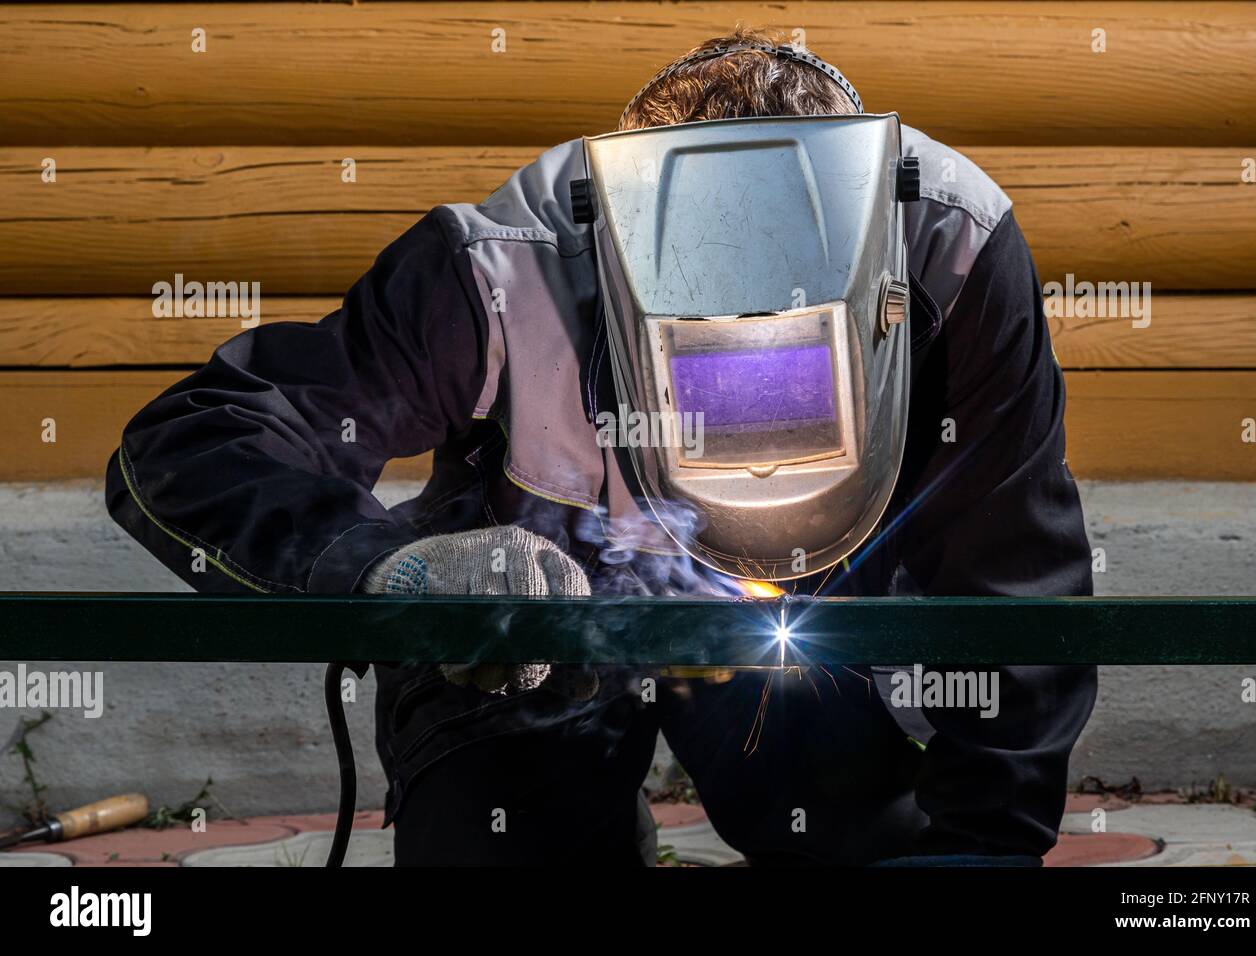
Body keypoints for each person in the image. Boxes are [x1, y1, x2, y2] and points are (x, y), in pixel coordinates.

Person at [106, 28, 1096, 866]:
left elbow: (1012, 577)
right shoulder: (500, 265)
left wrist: (986, 849)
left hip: (795, 633)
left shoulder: (951, 249)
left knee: (884, 845)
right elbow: (199, 437)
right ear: (616, 275)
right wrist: (391, 569)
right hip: (531, 633)